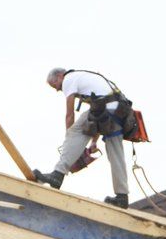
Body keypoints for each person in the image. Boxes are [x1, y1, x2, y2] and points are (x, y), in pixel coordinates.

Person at [32, 67, 134, 208]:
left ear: (61, 76)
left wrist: (69, 139)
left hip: (106, 108)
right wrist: (94, 142)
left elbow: (70, 115)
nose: (58, 90)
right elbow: (98, 114)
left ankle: (57, 175)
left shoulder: (69, 79)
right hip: (118, 110)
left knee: (75, 131)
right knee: (116, 154)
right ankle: (122, 197)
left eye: (57, 86)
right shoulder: (86, 80)